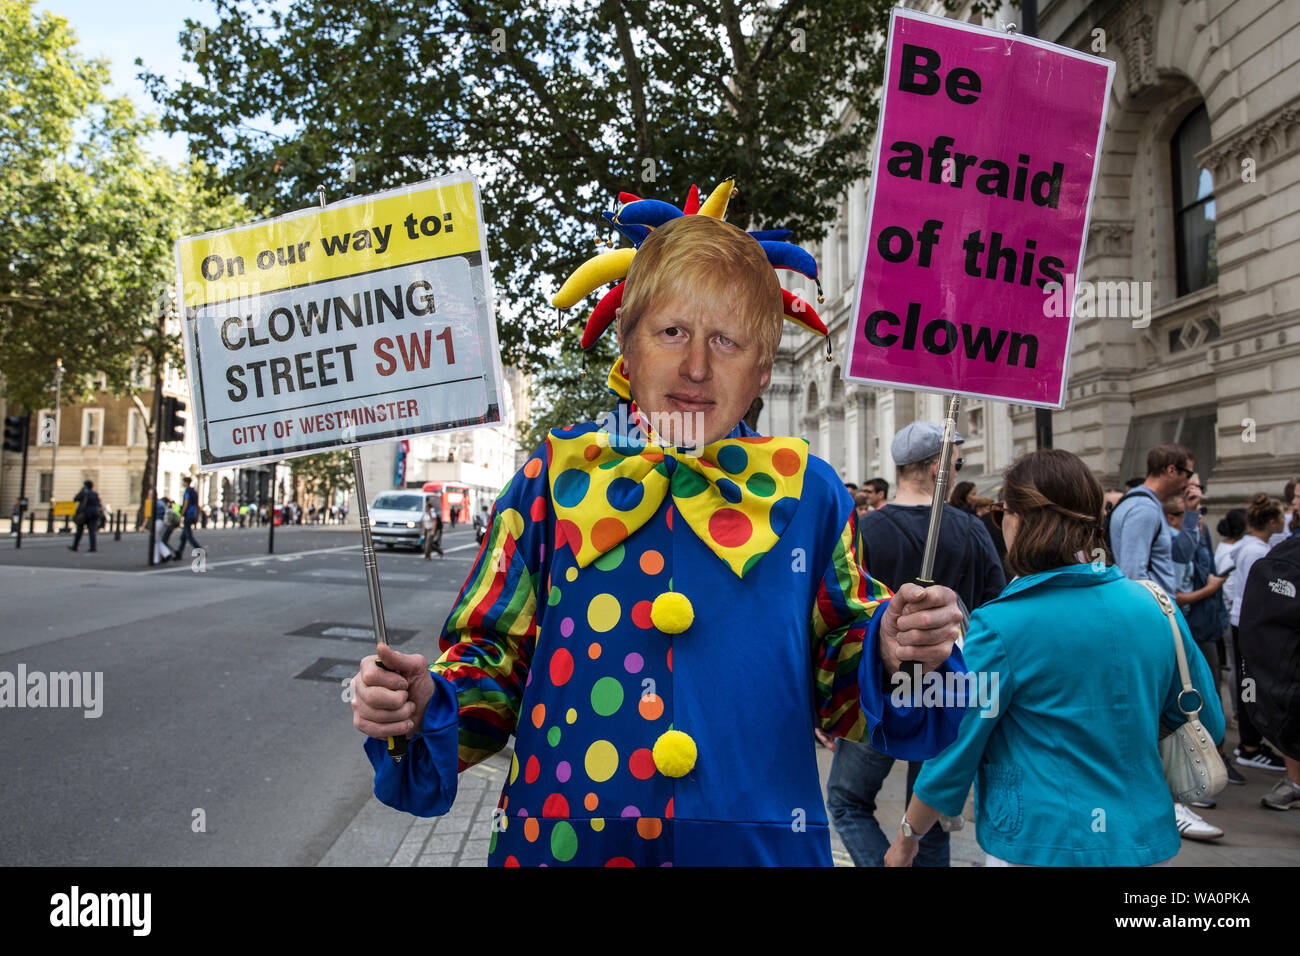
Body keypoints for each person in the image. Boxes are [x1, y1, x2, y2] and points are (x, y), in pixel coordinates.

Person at [350, 206, 967, 866]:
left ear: (763, 368)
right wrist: (427, 703)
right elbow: (492, 658)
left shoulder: (810, 492)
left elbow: (842, 672)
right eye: (672, 331)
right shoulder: (549, 481)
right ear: (628, 340)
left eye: (727, 341)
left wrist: (895, 651)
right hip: (565, 847)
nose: (697, 367)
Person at [885, 449, 1225, 866]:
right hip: (1141, 837)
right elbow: (1208, 722)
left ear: (1021, 519)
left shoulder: (1000, 625)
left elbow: (956, 747)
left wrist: (908, 835)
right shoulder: (1157, 606)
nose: (1001, 523)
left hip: (1041, 841)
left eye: (1000, 513)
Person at [827, 421, 1006, 867]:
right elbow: (993, 610)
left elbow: (841, 610)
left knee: (848, 802)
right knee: (926, 816)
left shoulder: (865, 530)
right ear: (935, 468)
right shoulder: (970, 530)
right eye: (956, 463)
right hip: (948, 688)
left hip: (879, 686)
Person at [1108, 442, 1221, 839]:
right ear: (1172, 470)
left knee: (1166, 711)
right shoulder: (1140, 508)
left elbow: (1179, 555)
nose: (1192, 479)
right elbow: (1135, 573)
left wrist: (1192, 515)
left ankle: (1173, 799)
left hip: (1158, 620)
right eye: (1189, 472)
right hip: (1153, 623)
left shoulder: (1149, 507)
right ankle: (1171, 803)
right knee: (1167, 713)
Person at [1165, 486, 1242, 795]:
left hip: (1205, 625)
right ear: (1172, 518)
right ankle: (1196, 772)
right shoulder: (1174, 541)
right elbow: (1180, 593)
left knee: (1204, 693)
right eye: (1189, 513)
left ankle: (1209, 762)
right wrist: (1211, 590)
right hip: (1190, 625)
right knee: (1196, 701)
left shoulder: (1197, 535)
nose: (1197, 520)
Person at [1228, 493, 1288, 772]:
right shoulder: (1255, 551)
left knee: (1247, 681)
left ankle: (1250, 743)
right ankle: (1249, 746)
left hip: (1244, 619)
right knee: (1250, 683)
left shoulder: (1249, 547)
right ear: (1273, 522)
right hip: (1249, 621)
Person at [68, 480, 101, 552]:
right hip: (94, 513)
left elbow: (75, 499)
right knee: (92, 531)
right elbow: (99, 503)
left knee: (79, 530)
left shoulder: (84, 492)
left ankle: (75, 546)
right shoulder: (95, 493)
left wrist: (81, 491)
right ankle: (93, 547)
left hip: (84, 513)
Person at [177, 476, 202, 557]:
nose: (182, 483)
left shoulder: (187, 491)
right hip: (192, 514)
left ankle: (199, 550)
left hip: (188, 515)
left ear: (186, 482)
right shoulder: (193, 491)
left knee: (189, 535)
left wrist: (181, 514)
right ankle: (179, 552)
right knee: (183, 536)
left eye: (183, 482)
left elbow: (186, 503)